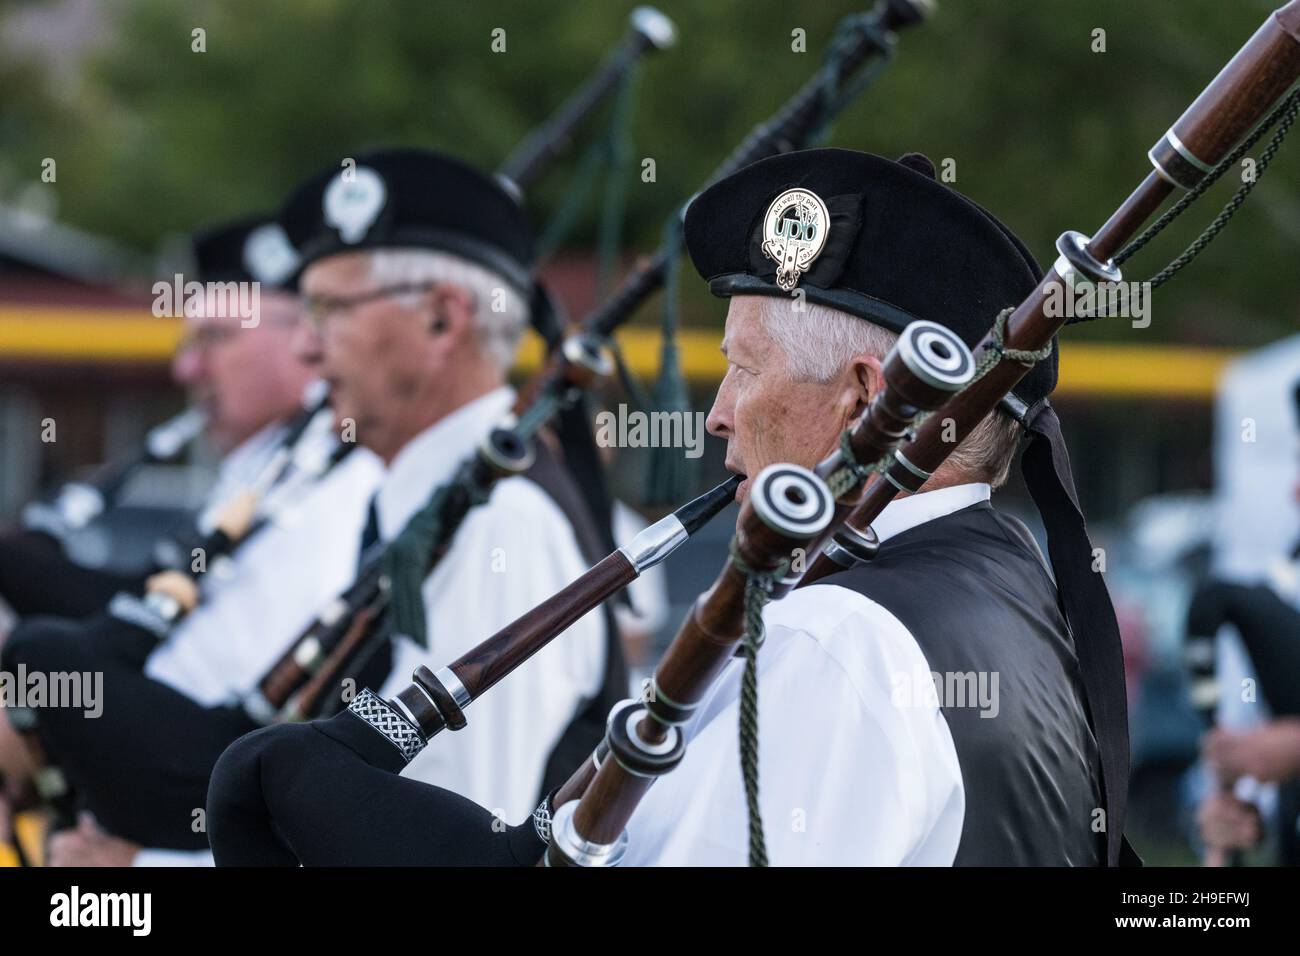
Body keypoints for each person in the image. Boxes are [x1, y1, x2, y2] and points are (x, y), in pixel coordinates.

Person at [206, 147, 1136, 867]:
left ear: (863, 397)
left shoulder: (834, 640)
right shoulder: (1005, 582)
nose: (717, 416)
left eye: (744, 367)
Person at [0, 217, 384, 865]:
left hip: (240, 786)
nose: (187, 367)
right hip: (206, 758)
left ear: (302, 339)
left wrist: (149, 862)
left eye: (214, 337)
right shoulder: (269, 465)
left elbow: (275, 718)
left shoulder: (350, 478)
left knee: (41, 655)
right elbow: (146, 613)